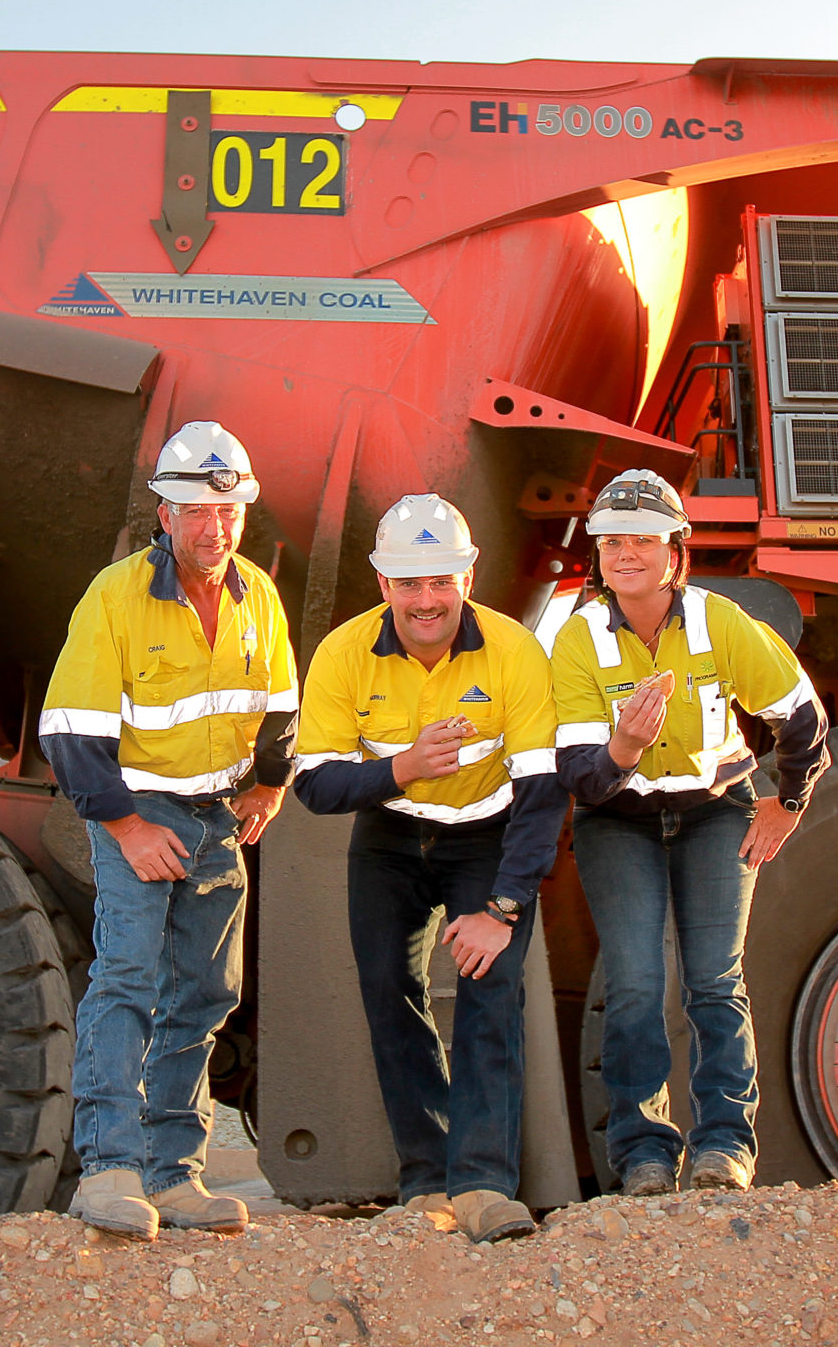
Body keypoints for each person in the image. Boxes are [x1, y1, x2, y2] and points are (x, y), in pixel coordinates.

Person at [39, 421, 296, 1240]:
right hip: (140, 812)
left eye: (230, 512)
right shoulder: (113, 597)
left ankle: (174, 1177)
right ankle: (109, 1171)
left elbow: (280, 707)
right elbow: (69, 733)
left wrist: (269, 785)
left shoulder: (258, 594)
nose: (215, 529)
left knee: (208, 992)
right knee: (127, 983)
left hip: (219, 818)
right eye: (197, 511)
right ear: (164, 513)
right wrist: (125, 826)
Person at [291, 495, 563, 1244]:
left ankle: (483, 1184)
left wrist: (502, 909)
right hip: (389, 837)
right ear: (383, 585)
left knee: (490, 1000)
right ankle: (426, 1177)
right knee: (389, 993)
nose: (426, 600)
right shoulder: (344, 653)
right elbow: (314, 784)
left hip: (488, 838)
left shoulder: (514, 651)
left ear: (467, 576)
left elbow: (542, 795)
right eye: (409, 583)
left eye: (440, 580)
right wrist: (403, 768)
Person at [551, 469, 830, 1196]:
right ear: (597, 556)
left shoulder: (721, 622)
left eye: (644, 540)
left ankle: (723, 1148)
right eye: (613, 542)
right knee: (638, 983)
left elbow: (800, 718)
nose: (627, 555)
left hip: (715, 813)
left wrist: (788, 804)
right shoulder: (577, 640)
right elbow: (579, 775)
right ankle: (643, 1152)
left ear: (677, 553)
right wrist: (623, 750)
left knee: (713, 980)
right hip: (619, 821)